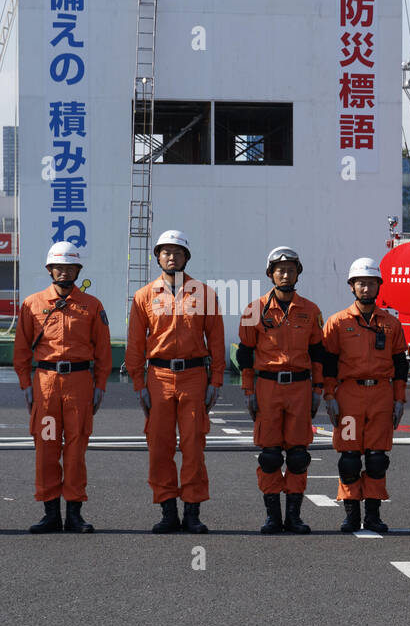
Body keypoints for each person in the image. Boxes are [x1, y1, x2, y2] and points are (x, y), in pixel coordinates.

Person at [125, 229, 224, 533]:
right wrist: (139, 385)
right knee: (159, 447)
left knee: (193, 446)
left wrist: (216, 381)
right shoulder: (144, 296)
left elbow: (217, 340)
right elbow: (135, 345)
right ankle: (168, 510)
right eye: (165, 252)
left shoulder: (204, 294)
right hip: (158, 377)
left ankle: (192, 512)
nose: (171, 257)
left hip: (195, 376)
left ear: (186, 257)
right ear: (157, 258)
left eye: (177, 252)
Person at [14, 242, 110, 533]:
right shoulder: (32, 304)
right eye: (59, 266)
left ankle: (75, 513)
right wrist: (25, 385)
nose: (64, 271)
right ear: (50, 269)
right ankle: (50, 513)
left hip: (79, 384)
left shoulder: (92, 305)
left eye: (70, 267)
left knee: (76, 447)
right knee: (46, 447)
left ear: (78, 271)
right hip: (45, 386)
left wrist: (100, 386)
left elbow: (103, 351)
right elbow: (21, 351)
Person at [236, 247, 325, 534]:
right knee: (271, 455)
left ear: (299, 272)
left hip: (300, 387)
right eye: (280, 269)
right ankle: (273, 517)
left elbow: (318, 353)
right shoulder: (253, 310)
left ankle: (294, 517)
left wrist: (318, 389)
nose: (285, 274)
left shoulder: (311, 311)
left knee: (298, 455)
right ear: (270, 274)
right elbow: (245, 354)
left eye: (291, 269)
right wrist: (248, 390)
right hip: (267, 387)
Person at [321, 258, 408, 533]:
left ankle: (372, 514)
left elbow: (400, 365)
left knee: (376, 458)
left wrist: (399, 399)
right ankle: (350, 513)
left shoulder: (391, 324)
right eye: (361, 283)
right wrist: (329, 397)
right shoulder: (336, 323)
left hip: (382, 395)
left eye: (371, 283)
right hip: (348, 396)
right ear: (352, 287)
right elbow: (328, 364)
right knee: (349, 458)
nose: (366, 288)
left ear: (378, 286)